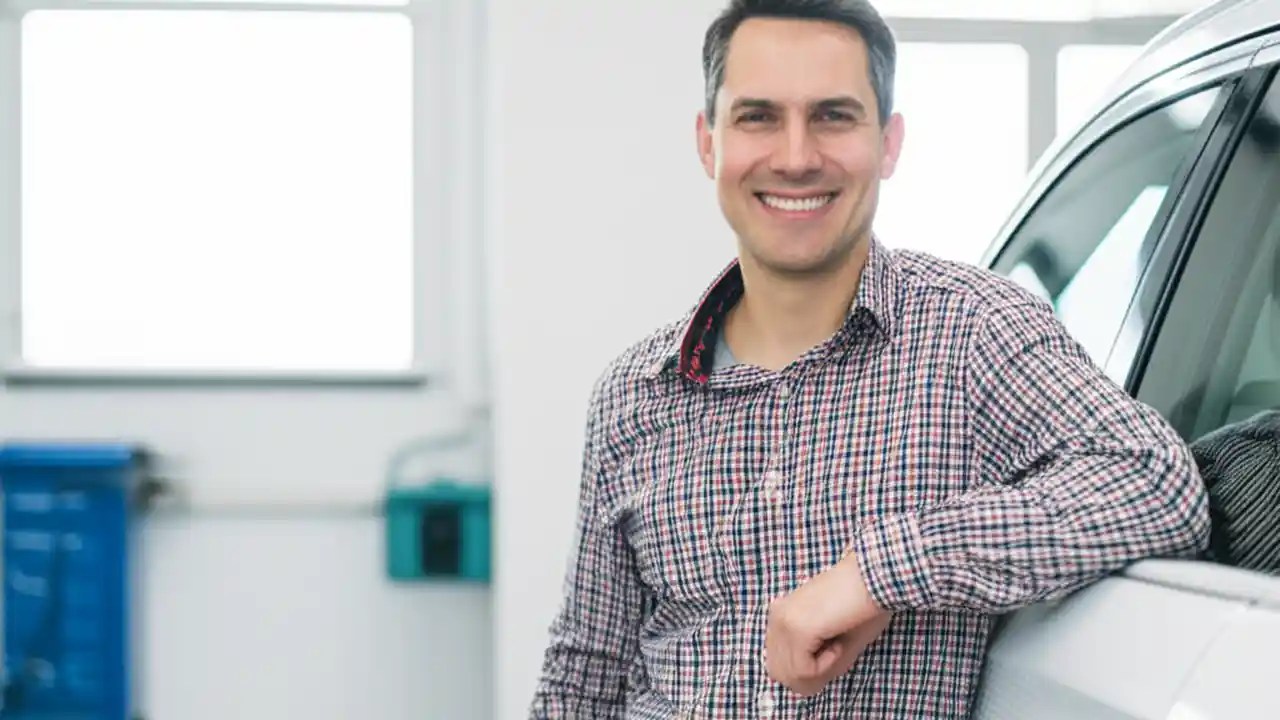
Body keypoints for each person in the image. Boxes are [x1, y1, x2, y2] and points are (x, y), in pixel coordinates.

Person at [528, 0, 1211, 717]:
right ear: (709, 143)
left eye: (833, 116)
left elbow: (1156, 482)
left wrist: (878, 575)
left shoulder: (974, 332)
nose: (795, 157)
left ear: (889, 142)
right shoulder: (633, 395)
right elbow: (586, 670)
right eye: (758, 116)